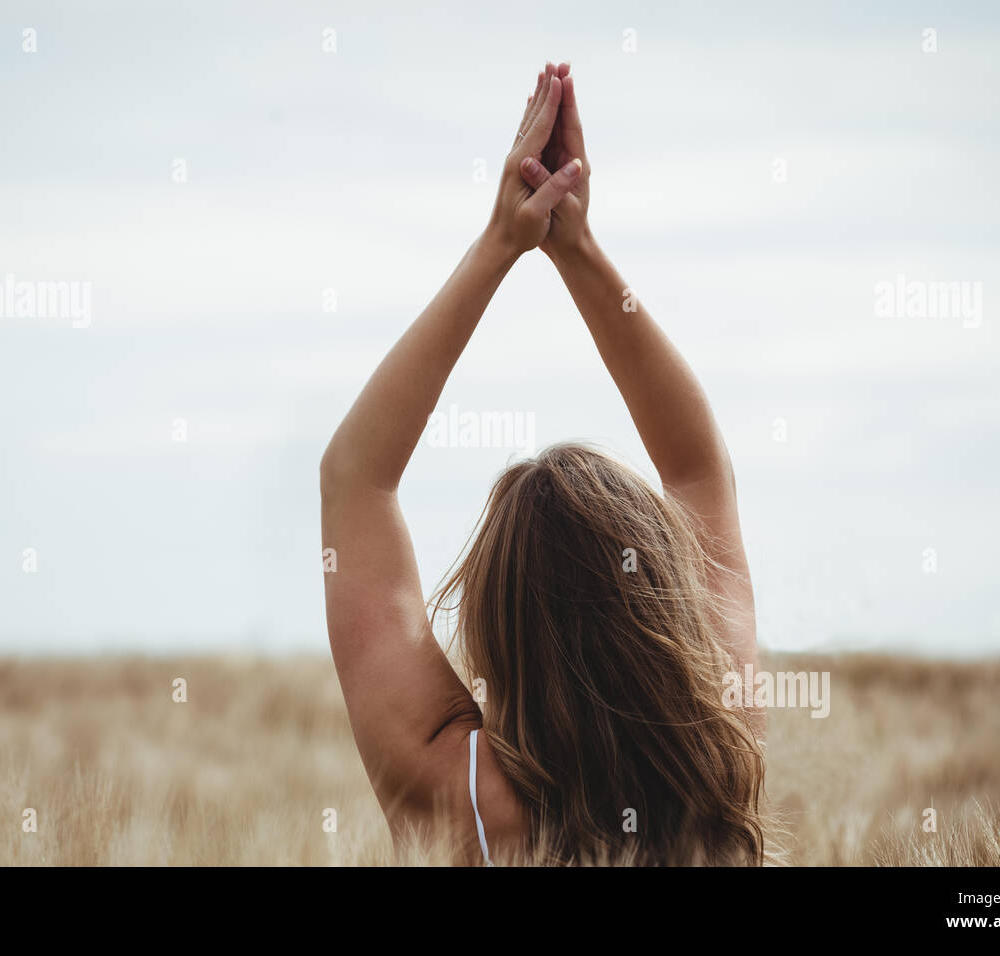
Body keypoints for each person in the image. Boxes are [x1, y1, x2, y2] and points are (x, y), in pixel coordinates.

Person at [320, 62, 765, 865]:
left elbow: (356, 477)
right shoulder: (720, 745)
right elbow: (699, 469)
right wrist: (580, 250)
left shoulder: (450, 789)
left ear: (499, 612)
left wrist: (502, 241)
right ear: (662, 593)